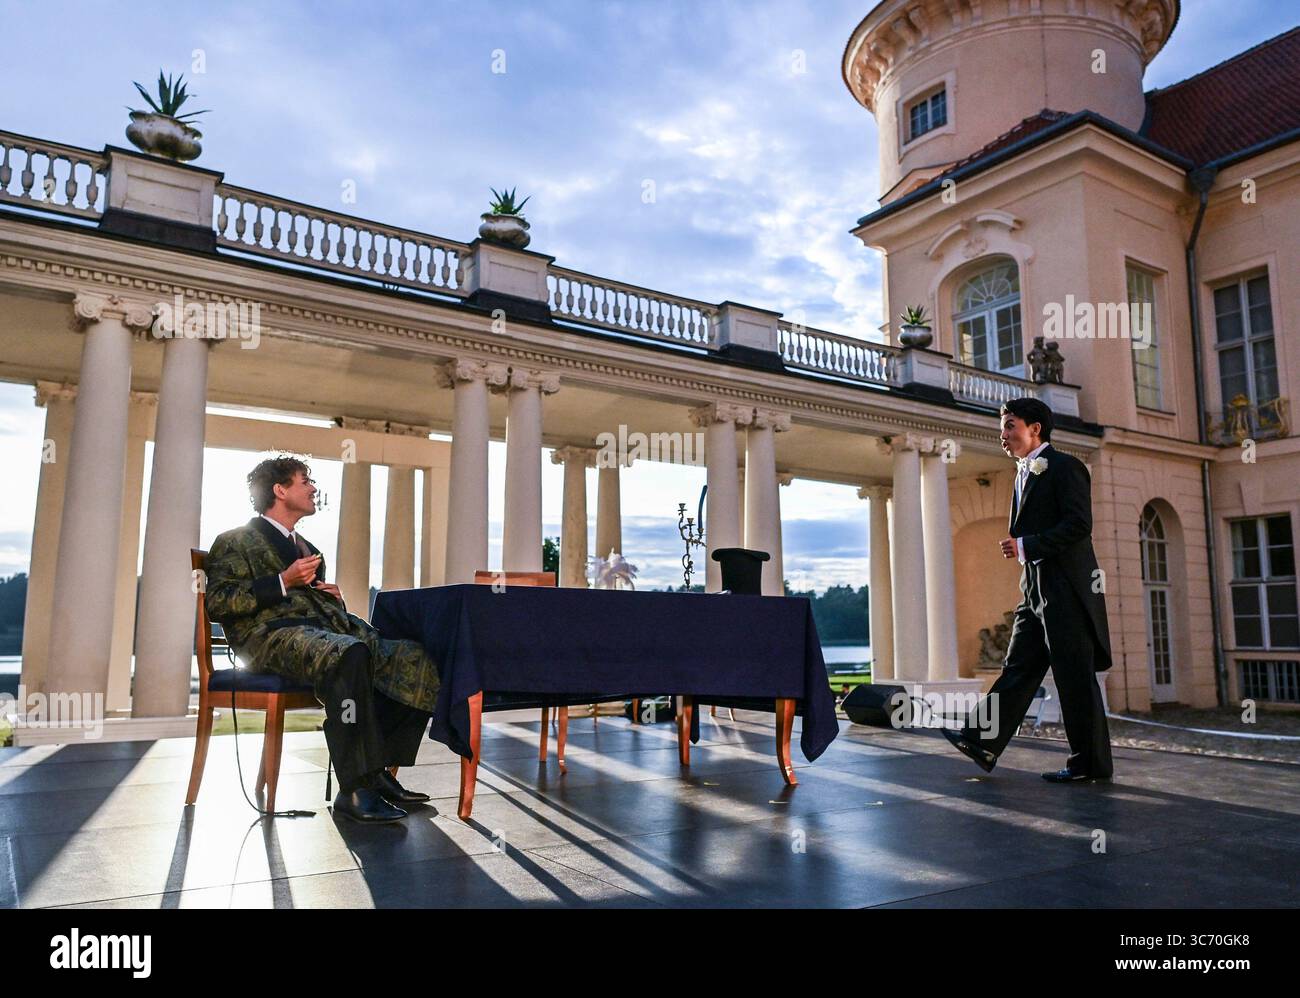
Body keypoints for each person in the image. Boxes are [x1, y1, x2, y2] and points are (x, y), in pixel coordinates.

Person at [204, 455, 441, 822]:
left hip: (321, 634)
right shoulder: (234, 541)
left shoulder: (310, 549)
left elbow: (311, 603)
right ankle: (355, 788)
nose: (313, 488)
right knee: (348, 653)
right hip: (268, 639)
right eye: (305, 481)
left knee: (416, 657)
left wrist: (330, 597)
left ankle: (378, 772)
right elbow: (218, 603)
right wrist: (283, 581)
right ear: (279, 490)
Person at [942, 397, 1114, 782]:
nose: (1003, 435)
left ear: (1035, 428)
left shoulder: (1067, 468)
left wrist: (1025, 545)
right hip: (1034, 589)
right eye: (1002, 427)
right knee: (1018, 667)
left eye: (1010, 425)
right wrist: (1026, 554)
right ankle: (981, 742)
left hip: (1068, 589)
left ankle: (1089, 766)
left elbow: (1078, 526)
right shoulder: (1022, 474)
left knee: (1074, 678)